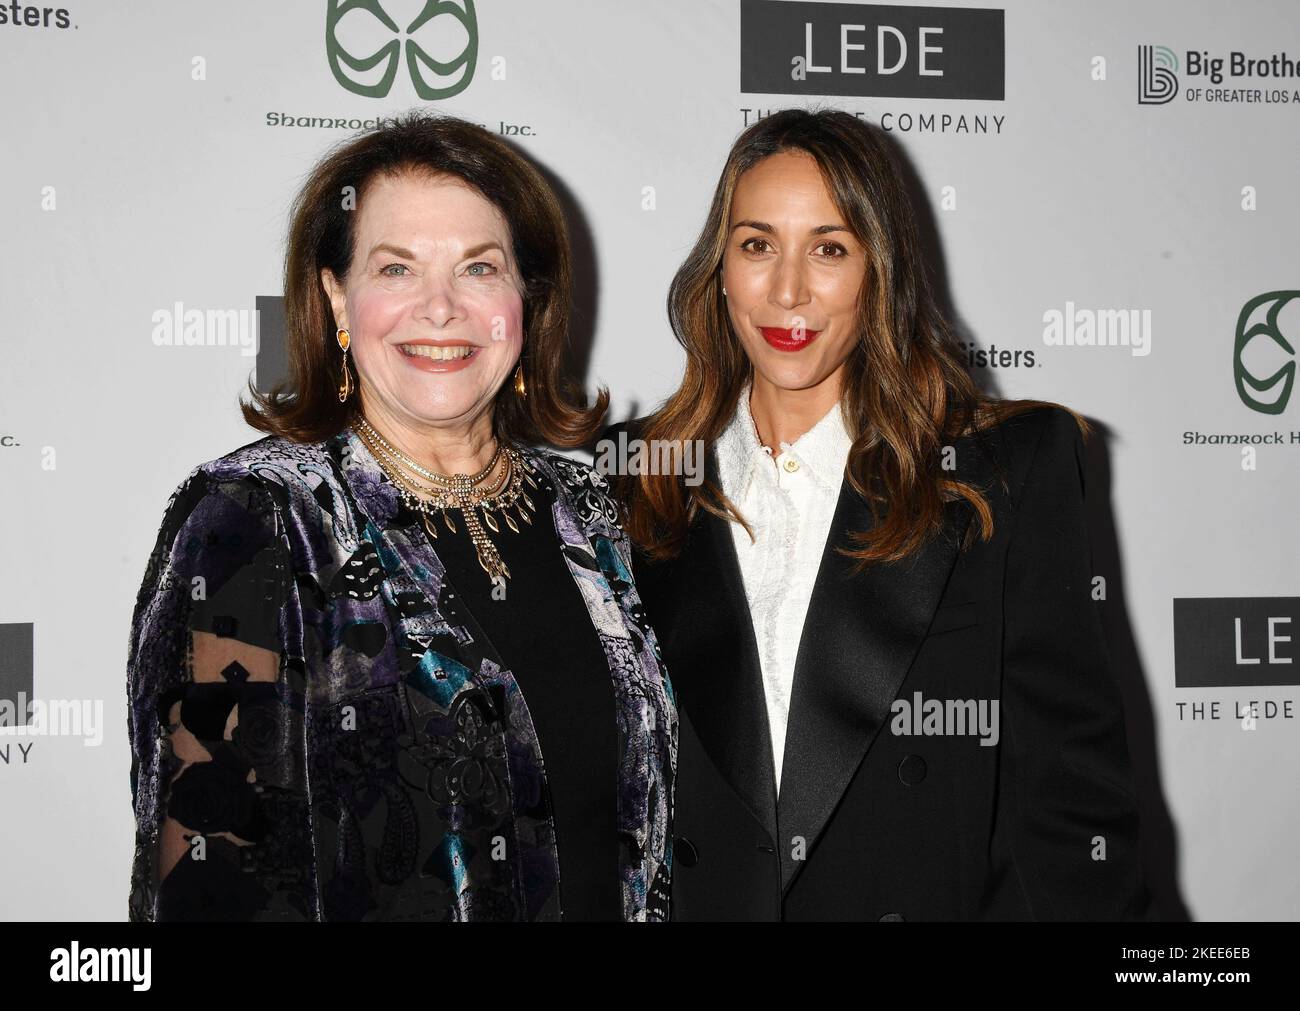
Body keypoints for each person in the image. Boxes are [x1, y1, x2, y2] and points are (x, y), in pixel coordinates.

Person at [126, 111, 676, 922]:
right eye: (397, 269)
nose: (441, 307)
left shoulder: (590, 512)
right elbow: (206, 876)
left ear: (525, 296)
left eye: (479, 268)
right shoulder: (256, 519)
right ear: (335, 296)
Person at [603, 108, 1152, 921]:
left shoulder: (1004, 471)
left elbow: (1070, 804)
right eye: (757, 245)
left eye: (830, 248)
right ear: (719, 270)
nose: (788, 290)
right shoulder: (634, 476)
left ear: (878, 271)